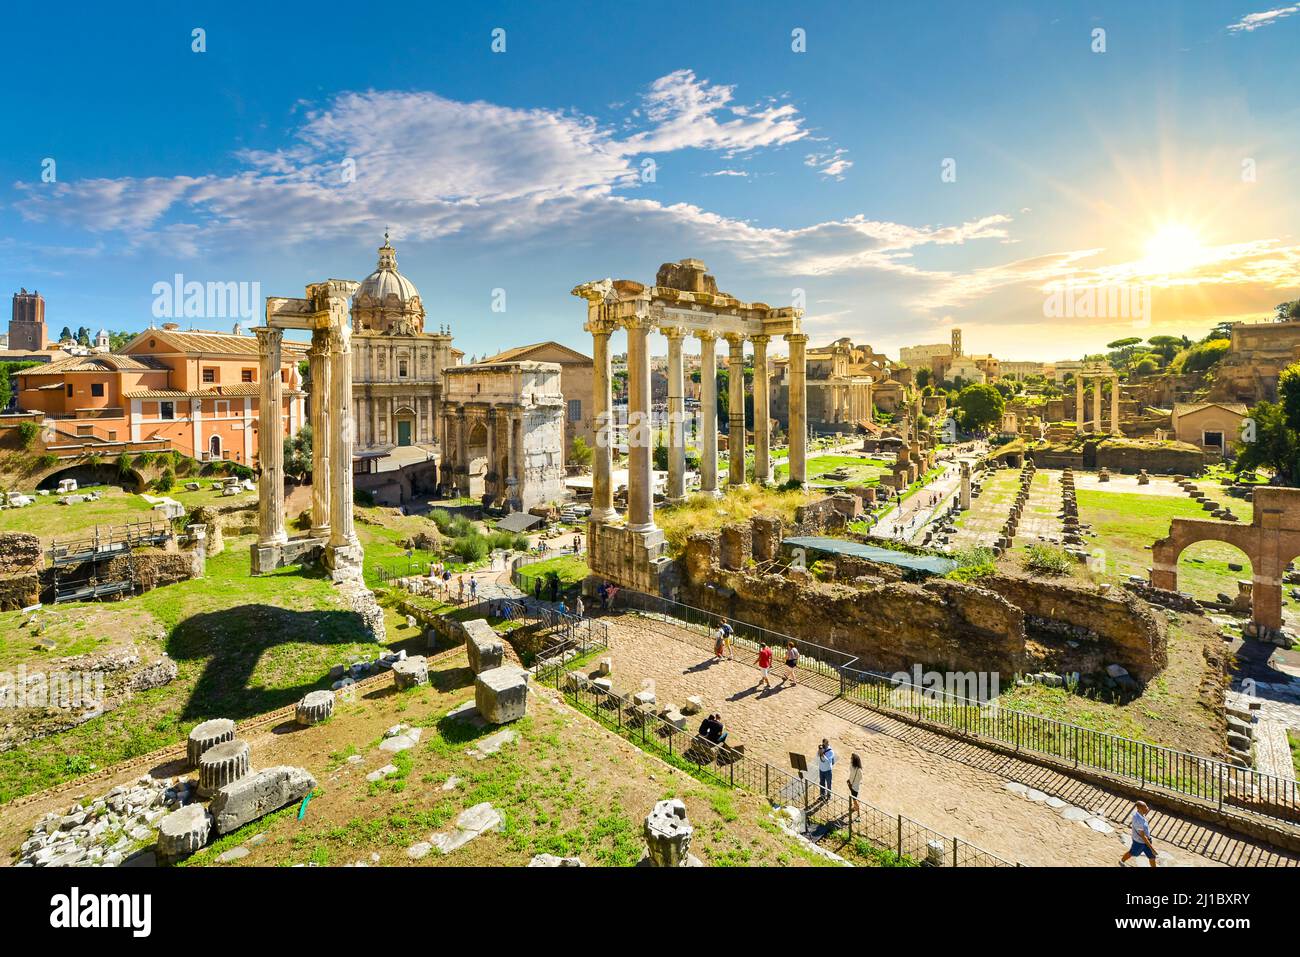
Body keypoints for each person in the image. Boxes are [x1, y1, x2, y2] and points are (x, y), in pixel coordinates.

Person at [1120, 800, 1158, 867]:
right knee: (1133, 853)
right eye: (1145, 807)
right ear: (1140, 809)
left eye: (1146, 806)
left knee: (1152, 857)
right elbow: (1143, 836)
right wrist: (1152, 849)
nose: (1147, 808)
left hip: (1146, 841)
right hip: (1139, 843)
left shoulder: (1140, 814)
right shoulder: (1138, 820)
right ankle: (1121, 861)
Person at [847, 753, 863, 819]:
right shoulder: (855, 768)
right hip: (852, 785)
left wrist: (854, 781)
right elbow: (860, 778)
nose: (850, 759)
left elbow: (860, 778)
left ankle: (858, 814)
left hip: (854, 786)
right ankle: (854, 808)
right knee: (854, 798)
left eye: (852, 758)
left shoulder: (857, 769)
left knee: (855, 800)